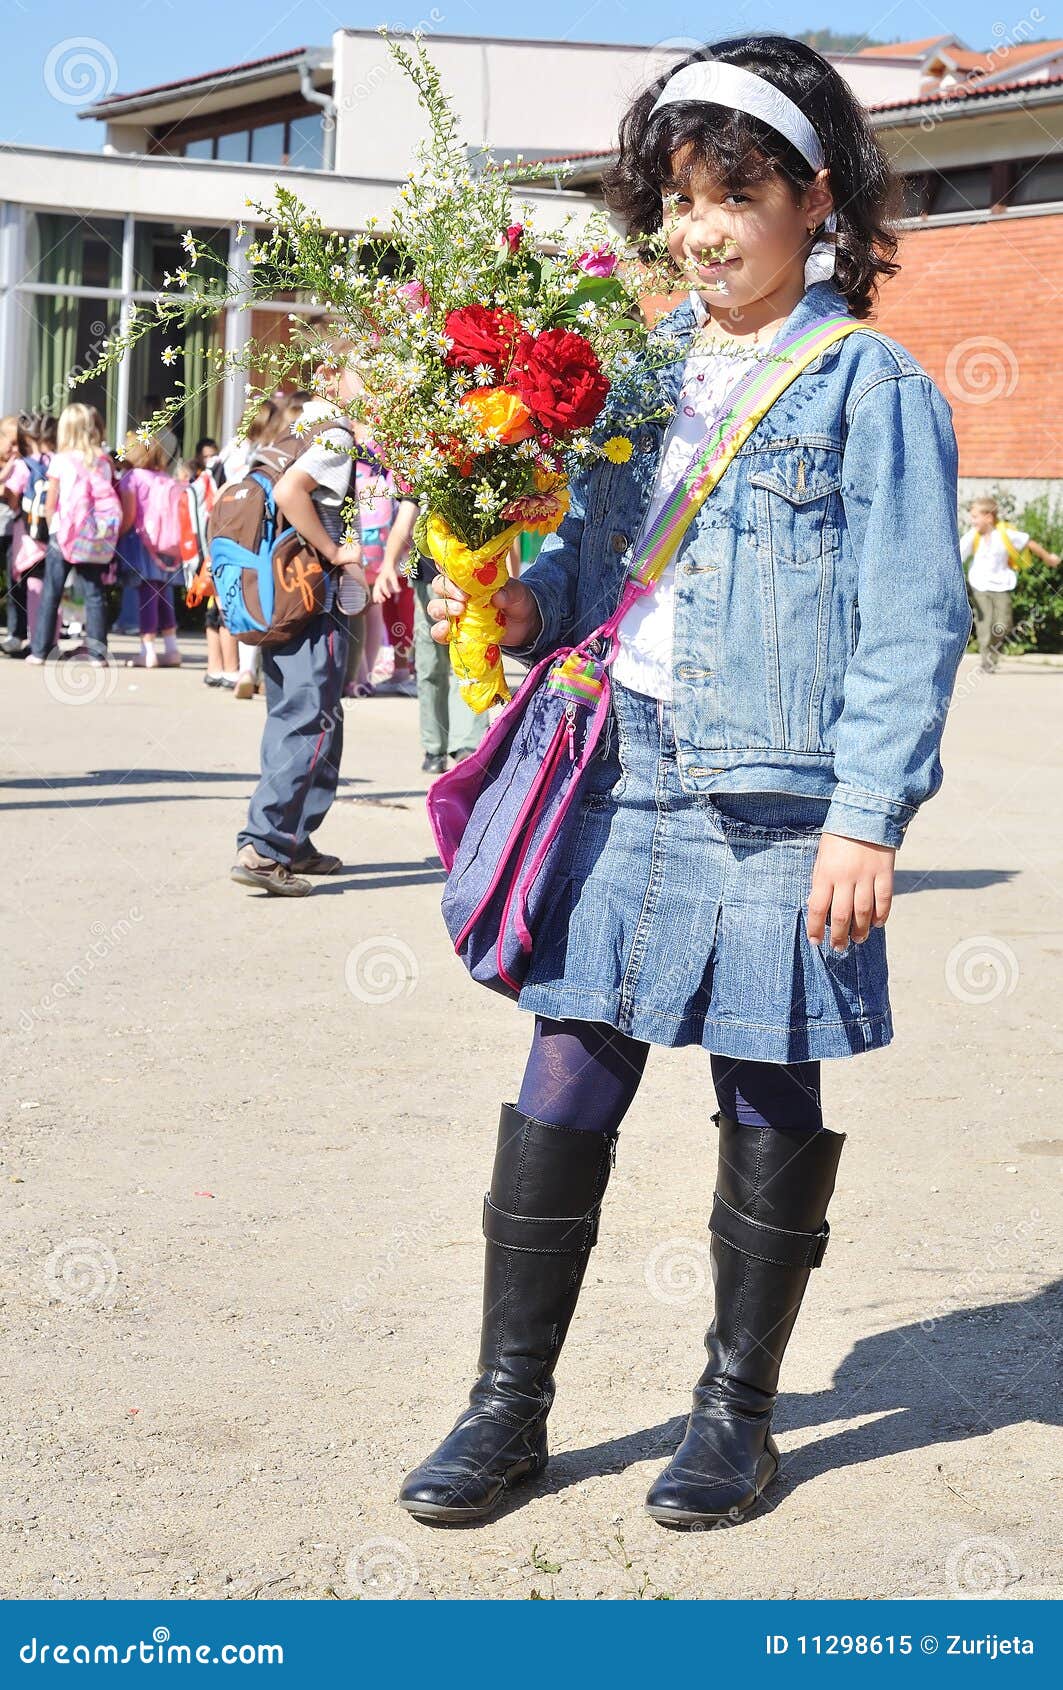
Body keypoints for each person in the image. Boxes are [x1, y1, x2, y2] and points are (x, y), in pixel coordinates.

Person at [399, 34, 974, 1529]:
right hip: (622, 770)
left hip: (777, 795)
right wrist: (523, 599)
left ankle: (735, 1412)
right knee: (564, 1063)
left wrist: (867, 814)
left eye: (729, 191)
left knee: (765, 1076)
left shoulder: (869, 383)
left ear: (815, 198)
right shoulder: (637, 368)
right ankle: (503, 1406)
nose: (696, 228)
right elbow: (597, 561)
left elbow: (912, 615)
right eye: (672, 197)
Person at [230, 355, 365, 896]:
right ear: (333, 377)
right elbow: (289, 495)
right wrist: (336, 551)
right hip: (311, 599)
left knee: (304, 716)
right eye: (368, 372)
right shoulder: (334, 436)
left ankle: (294, 838)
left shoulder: (296, 428)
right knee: (308, 719)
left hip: (281, 596)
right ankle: (264, 847)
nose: (377, 383)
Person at [375, 497, 487, 773]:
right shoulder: (422, 459)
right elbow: (406, 515)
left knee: (469, 660)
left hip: (473, 575)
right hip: (427, 579)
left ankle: (468, 744)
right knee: (431, 666)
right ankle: (434, 747)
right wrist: (388, 564)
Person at [27, 404, 118, 667]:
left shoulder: (61, 459)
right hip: (93, 535)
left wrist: (50, 525)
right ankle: (99, 653)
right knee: (94, 592)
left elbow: (51, 500)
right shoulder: (103, 460)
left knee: (52, 592)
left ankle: (41, 650)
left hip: (63, 534)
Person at [960, 496, 1058, 672]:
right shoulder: (973, 536)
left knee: (1003, 624)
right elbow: (958, 555)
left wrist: (1048, 557)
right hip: (979, 585)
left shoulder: (1004, 534)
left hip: (1002, 585)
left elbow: (1029, 542)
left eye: (975, 517)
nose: (972, 521)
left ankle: (994, 652)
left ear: (988, 517)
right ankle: (986, 661)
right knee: (985, 622)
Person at [115, 433, 182, 668]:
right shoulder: (164, 477)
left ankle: (148, 650)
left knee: (147, 594)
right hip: (167, 543)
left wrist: (116, 535)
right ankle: (172, 648)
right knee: (163, 594)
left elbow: (129, 515)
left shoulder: (131, 478)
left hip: (141, 542)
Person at [0, 415, 22, 654]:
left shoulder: (20, 467)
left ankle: (16, 633)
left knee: (14, 584)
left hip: (12, 534)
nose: (15, 450)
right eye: (12, 443)